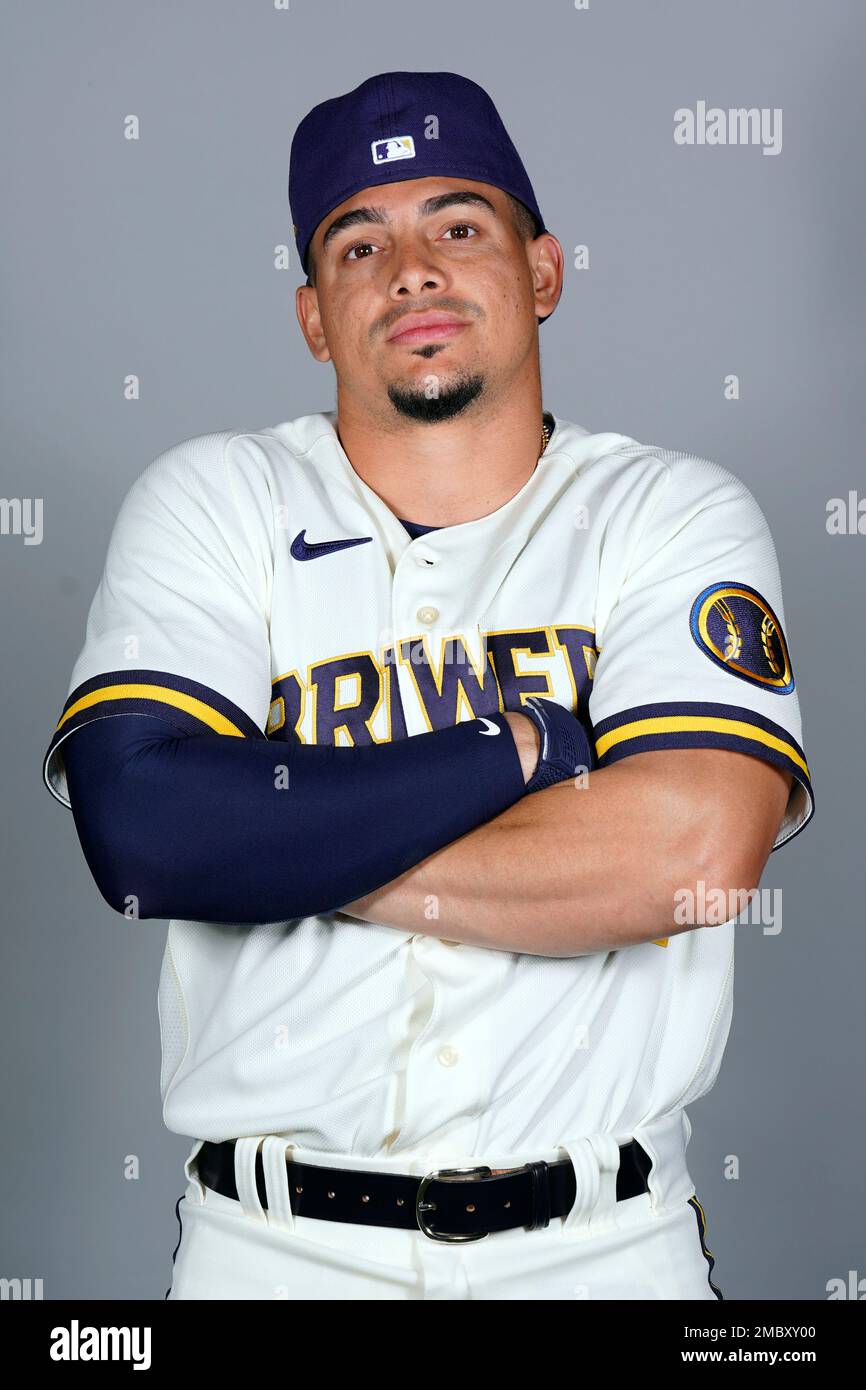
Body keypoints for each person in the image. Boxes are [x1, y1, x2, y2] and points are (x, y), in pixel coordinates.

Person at [42, 70, 813, 1300]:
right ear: (313, 317)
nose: (410, 271)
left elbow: (692, 858)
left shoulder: (666, 513)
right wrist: (515, 751)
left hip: (603, 1249)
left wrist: (272, 839)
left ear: (542, 271)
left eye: (456, 227)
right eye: (360, 244)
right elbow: (145, 837)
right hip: (274, 1253)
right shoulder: (215, 500)